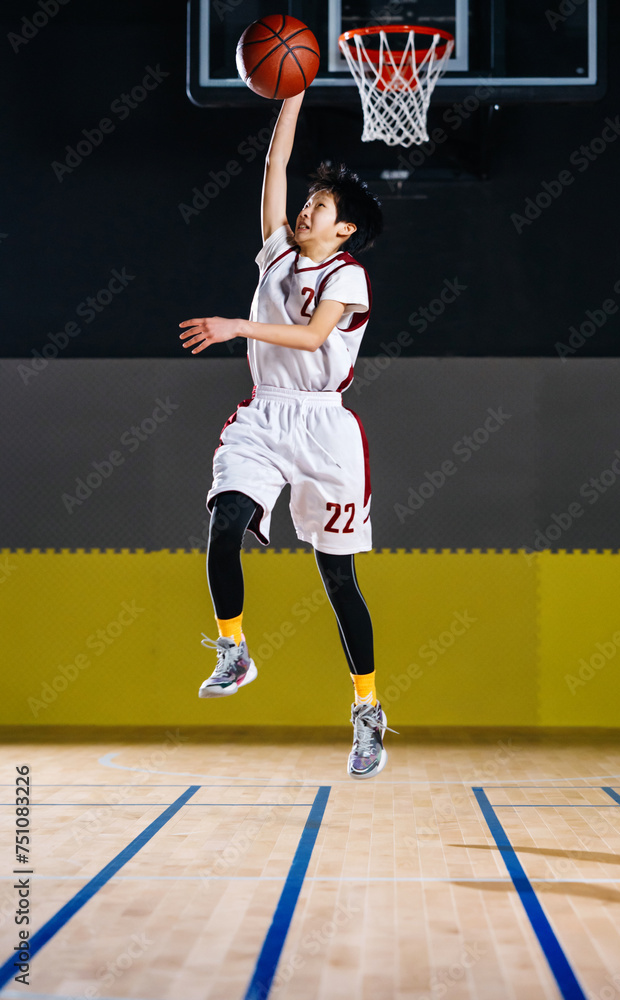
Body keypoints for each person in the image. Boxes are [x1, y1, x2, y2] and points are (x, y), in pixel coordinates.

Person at [179, 91, 390, 778]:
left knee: (338, 581)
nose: (305, 210)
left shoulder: (347, 275)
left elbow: (310, 337)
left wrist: (235, 327)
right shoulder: (276, 255)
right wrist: (291, 97)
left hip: (325, 428)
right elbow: (274, 164)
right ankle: (234, 650)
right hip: (265, 415)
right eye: (306, 202)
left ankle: (366, 711)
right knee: (224, 522)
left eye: (320, 208)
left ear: (344, 229)